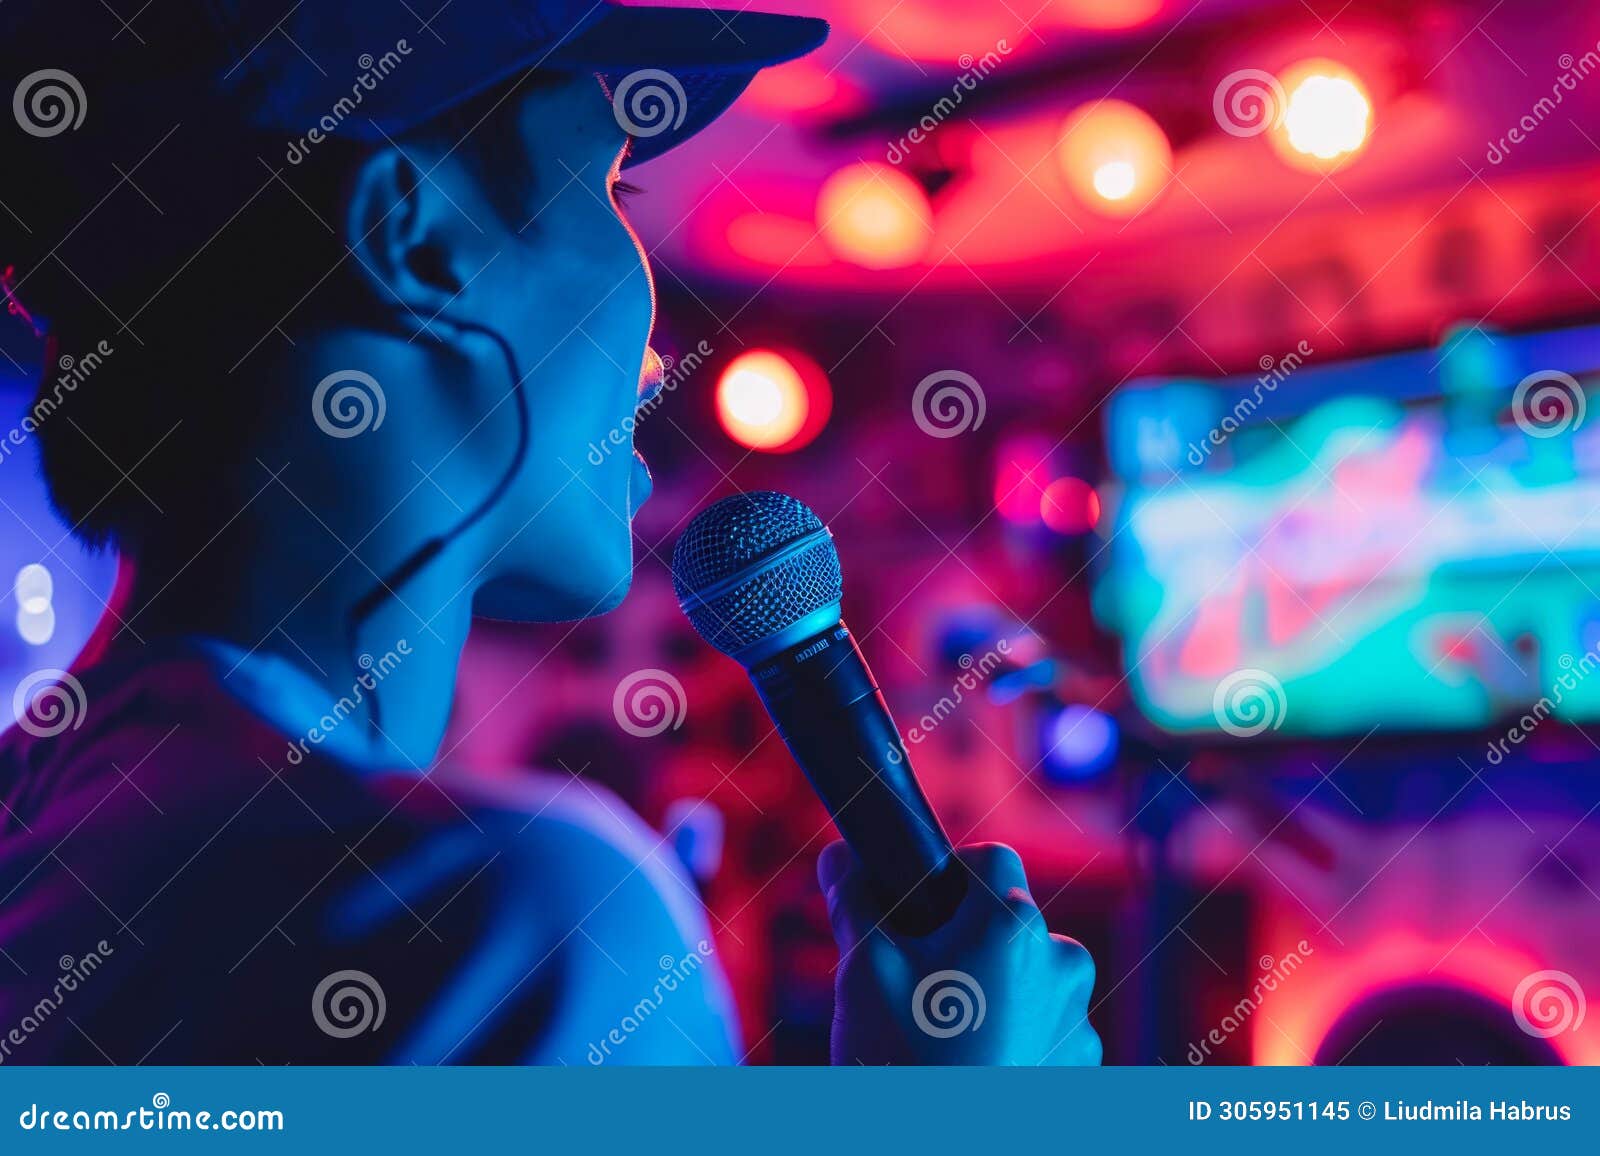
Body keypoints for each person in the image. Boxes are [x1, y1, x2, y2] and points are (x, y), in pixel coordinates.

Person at [0, 0, 1100, 1065]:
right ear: (412, 237)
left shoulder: (45, 838)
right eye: (613, 184)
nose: (661, 345)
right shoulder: (520, 922)